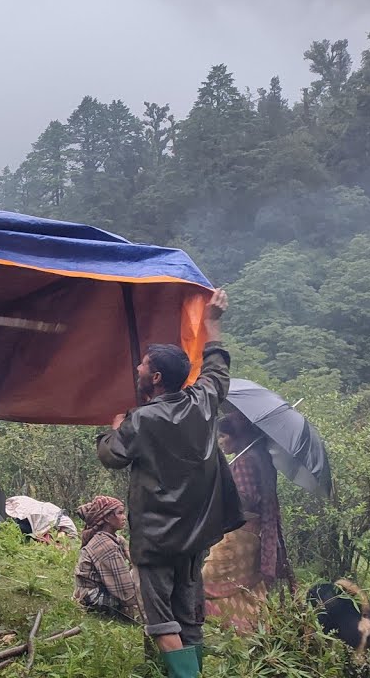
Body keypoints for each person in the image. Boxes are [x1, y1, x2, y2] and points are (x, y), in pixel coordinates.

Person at [96, 289, 243, 678]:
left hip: (157, 542)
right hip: (195, 539)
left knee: (162, 624)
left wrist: (113, 429)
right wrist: (212, 321)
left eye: (143, 366)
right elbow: (217, 367)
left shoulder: (141, 421)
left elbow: (112, 456)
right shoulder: (204, 401)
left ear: (156, 378)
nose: (138, 369)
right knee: (189, 620)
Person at [203, 412, 293, 633]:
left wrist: (220, 490)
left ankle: (232, 631)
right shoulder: (261, 458)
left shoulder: (244, 461)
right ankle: (252, 633)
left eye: (224, 436)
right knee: (248, 589)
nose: (221, 441)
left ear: (238, 436)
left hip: (239, 536)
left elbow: (245, 499)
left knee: (206, 581)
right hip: (255, 536)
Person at [72, 495, 139, 623]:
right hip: (94, 600)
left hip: (86, 595)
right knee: (142, 576)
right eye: (120, 513)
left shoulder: (105, 538)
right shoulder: (106, 546)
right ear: (107, 518)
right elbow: (126, 591)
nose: (124, 517)